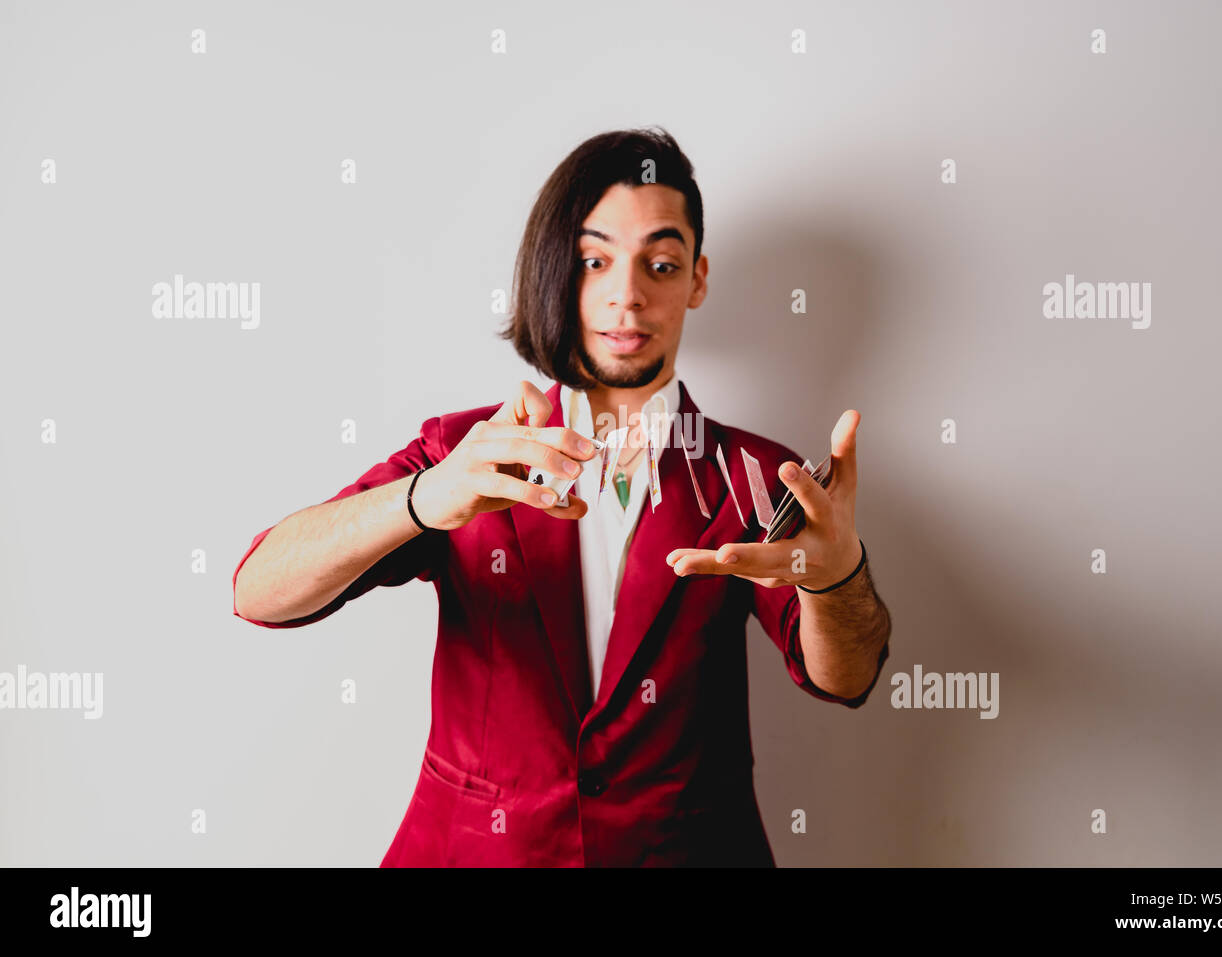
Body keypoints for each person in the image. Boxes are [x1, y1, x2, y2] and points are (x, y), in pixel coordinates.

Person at [232, 126, 892, 867]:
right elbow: (259, 589)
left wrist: (836, 577)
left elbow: (849, 678)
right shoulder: (467, 452)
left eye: (662, 263)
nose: (627, 293)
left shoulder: (760, 475)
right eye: (594, 260)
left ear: (698, 280)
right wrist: (423, 497)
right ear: (557, 270)